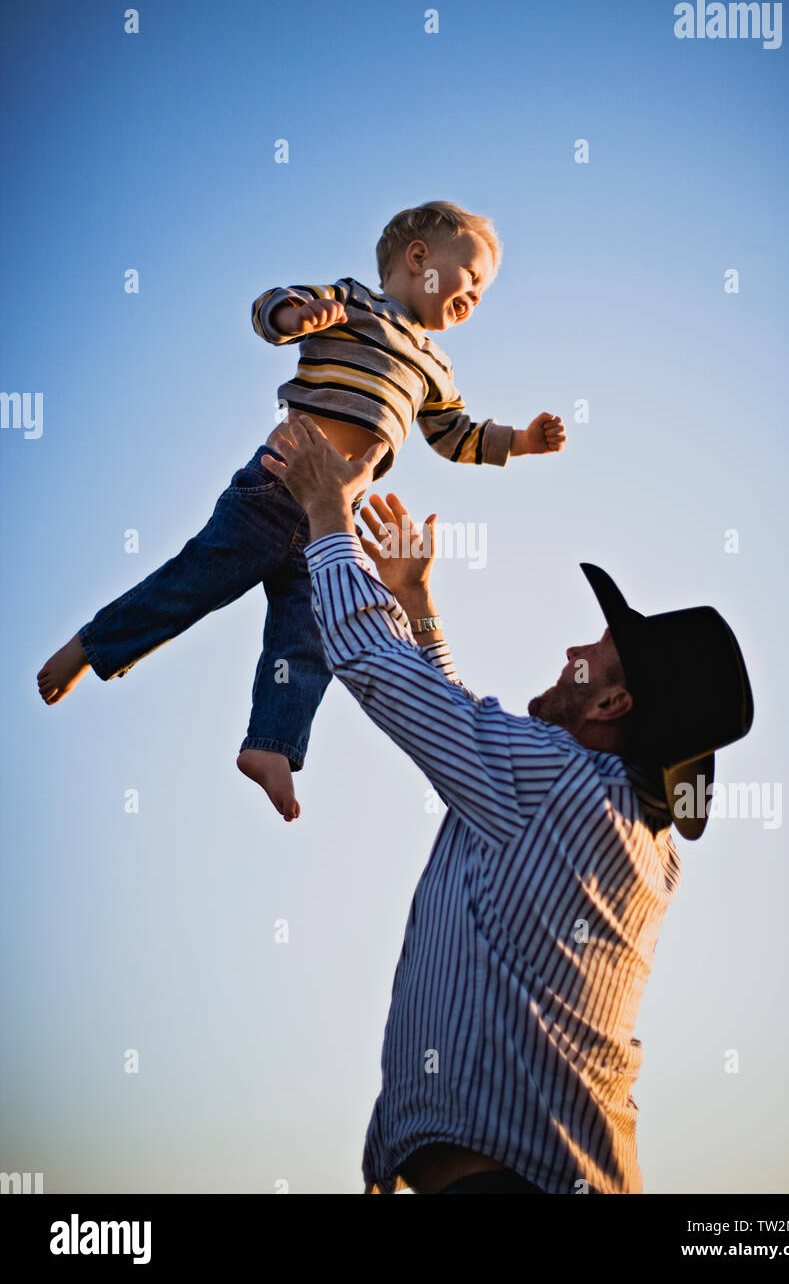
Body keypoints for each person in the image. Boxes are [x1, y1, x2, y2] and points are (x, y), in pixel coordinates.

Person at [259, 410, 755, 1195]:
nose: (573, 653)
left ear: (613, 705)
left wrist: (327, 515)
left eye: (596, 654)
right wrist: (419, 602)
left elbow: (378, 668)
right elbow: (463, 732)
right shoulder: (618, 821)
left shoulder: (553, 783)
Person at [36, 201, 566, 821]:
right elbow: (268, 308)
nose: (475, 295)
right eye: (470, 277)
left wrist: (522, 441)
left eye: (484, 291)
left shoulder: (436, 369)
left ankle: (271, 746)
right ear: (419, 259)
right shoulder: (352, 302)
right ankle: (93, 646)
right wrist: (298, 314)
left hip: (327, 520)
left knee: (310, 633)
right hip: (274, 488)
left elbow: (456, 435)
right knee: (196, 582)